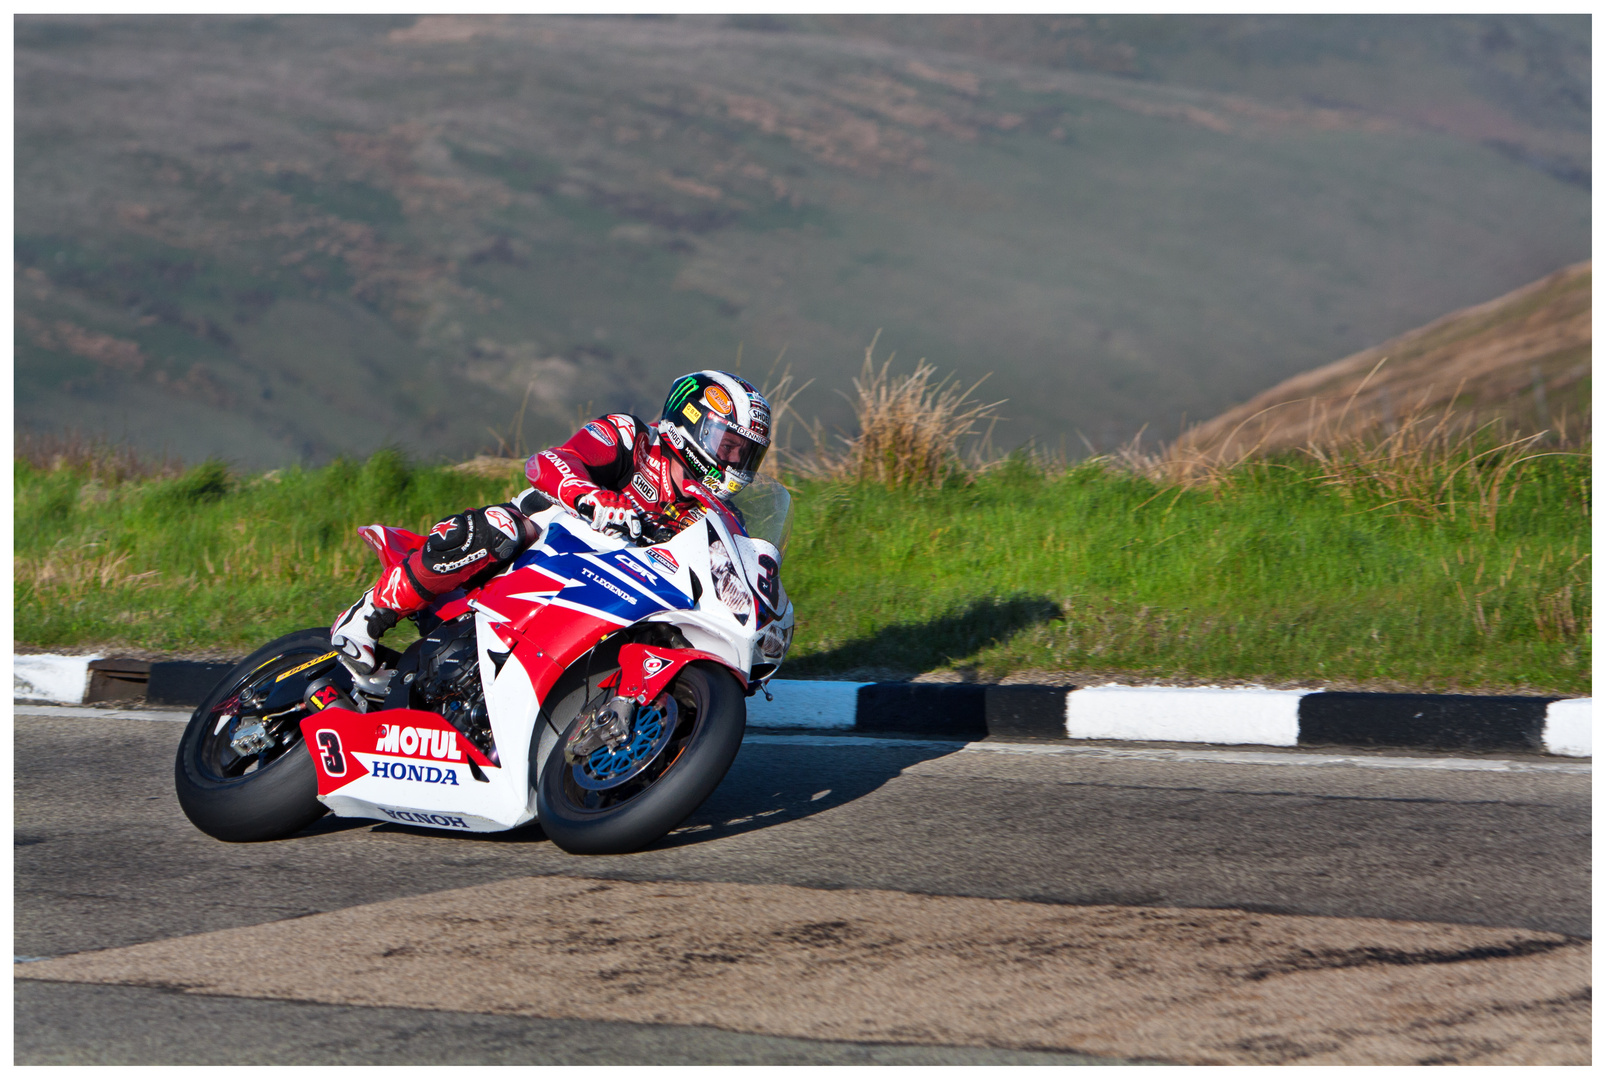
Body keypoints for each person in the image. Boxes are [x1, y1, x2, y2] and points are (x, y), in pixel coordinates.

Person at [329, 370, 772, 689]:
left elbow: (739, 572)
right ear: (690, 424)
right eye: (729, 446)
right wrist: (592, 498)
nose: (735, 463)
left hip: (613, 595)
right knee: (503, 528)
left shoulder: (716, 513)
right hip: (537, 552)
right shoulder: (631, 437)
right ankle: (367, 616)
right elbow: (550, 462)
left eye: (747, 455)